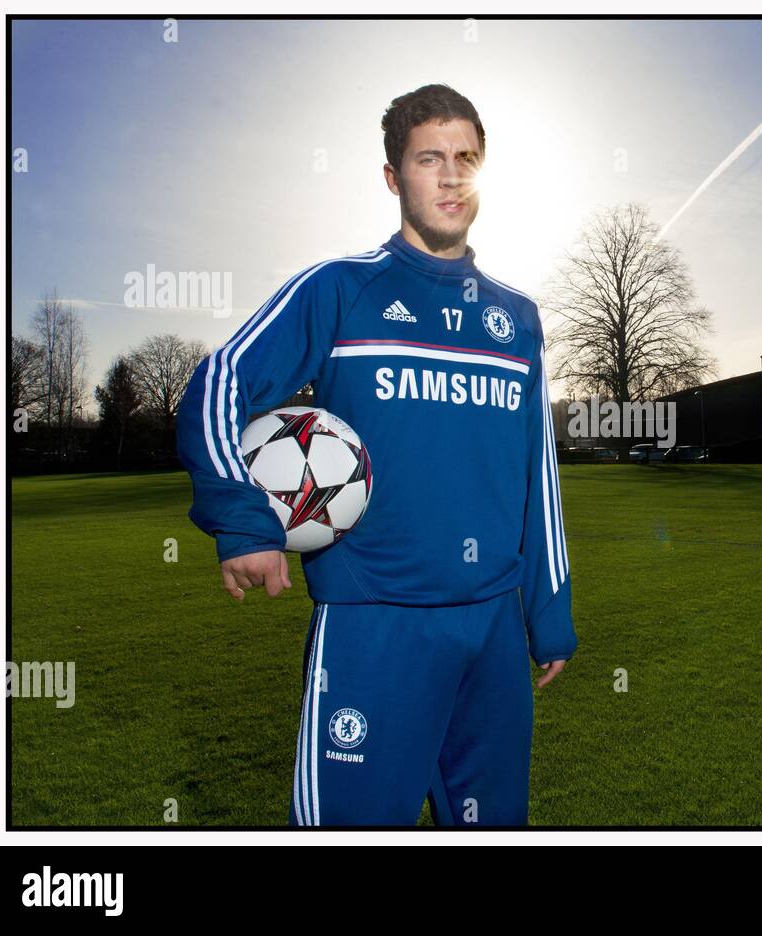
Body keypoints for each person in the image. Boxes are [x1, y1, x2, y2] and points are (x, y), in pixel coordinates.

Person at [175, 84, 576, 827]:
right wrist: (245, 520)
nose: (452, 176)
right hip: (373, 626)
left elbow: (537, 478)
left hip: (492, 632)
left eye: (467, 158)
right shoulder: (340, 289)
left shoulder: (516, 320)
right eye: (431, 159)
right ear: (394, 178)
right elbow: (220, 383)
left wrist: (548, 616)